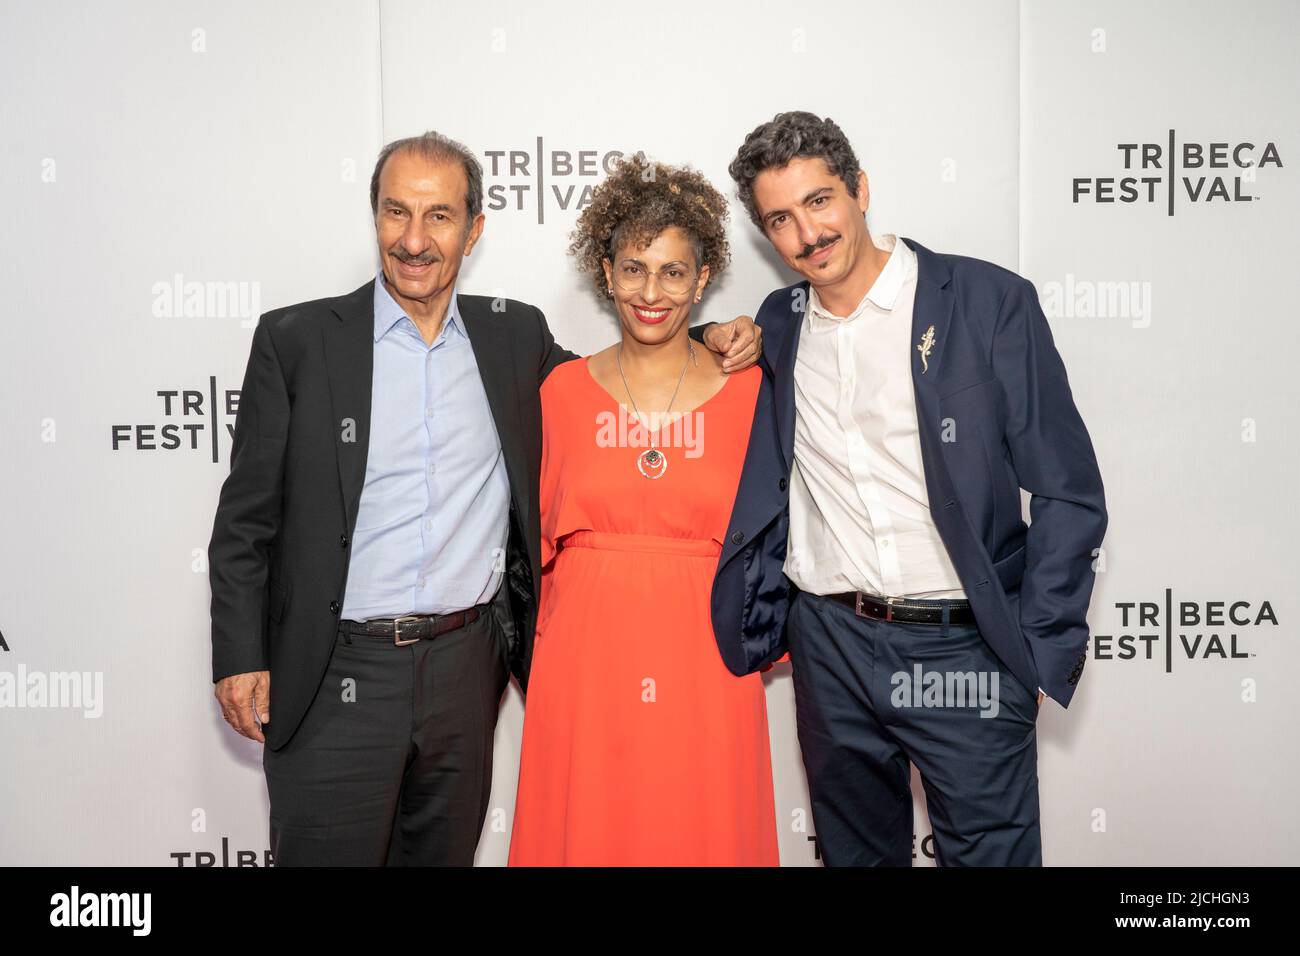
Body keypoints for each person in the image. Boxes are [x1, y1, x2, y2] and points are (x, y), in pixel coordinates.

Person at [207, 131, 761, 866]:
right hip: (336, 672)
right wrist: (240, 655)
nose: (414, 239)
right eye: (395, 212)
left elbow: (631, 369)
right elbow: (246, 519)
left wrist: (711, 333)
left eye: (439, 216)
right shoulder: (298, 339)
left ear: (474, 230)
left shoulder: (514, 337)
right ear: (373, 217)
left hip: (465, 674)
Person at [711, 112, 1108, 866]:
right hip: (829, 647)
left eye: (821, 201)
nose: (808, 234)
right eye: (781, 220)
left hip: (964, 650)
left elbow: (1068, 491)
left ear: (860, 189)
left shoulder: (988, 302)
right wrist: (711, 333)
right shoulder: (780, 321)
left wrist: (1033, 641)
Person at [507, 155, 778, 866]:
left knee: (703, 834)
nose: (651, 291)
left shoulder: (755, 395)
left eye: (673, 271)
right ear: (605, 272)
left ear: (704, 278)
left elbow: (784, 541)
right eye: (633, 268)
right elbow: (526, 549)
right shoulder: (559, 393)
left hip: (710, 667)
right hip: (583, 670)